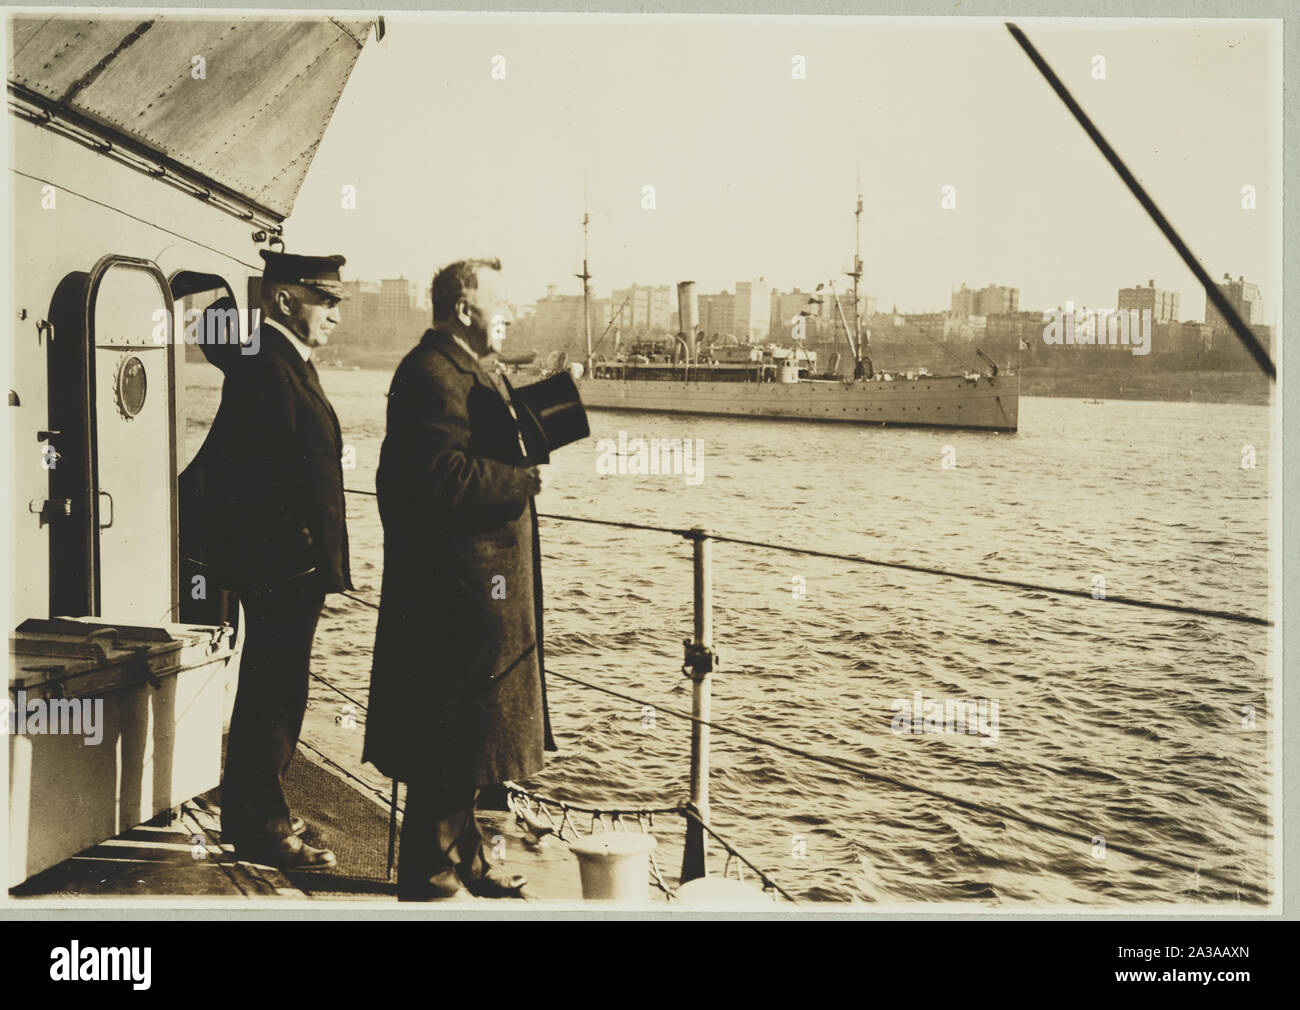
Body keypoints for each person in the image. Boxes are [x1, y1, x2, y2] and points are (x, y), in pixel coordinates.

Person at [364, 257, 556, 900]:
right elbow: (438, 479)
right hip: (458, 593)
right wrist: (523, 481)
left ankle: (465, 859)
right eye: (499, 304)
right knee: (452, 736)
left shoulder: (465, 368)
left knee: (471, 737)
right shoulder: (431, 374)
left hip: (478, 587)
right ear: (465, 309)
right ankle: (434, 876)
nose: (510, 314)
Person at [208, 250, 353, 869]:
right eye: (326, 301)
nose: (336, 316)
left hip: (289, 562)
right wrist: (295, 553)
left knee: (274, 689)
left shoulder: (280, 359)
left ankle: (257, 813)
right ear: (286, 299)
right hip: (282, 566)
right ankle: (262, 828)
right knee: (274, 692)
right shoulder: (268, 363)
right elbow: (263, 473)